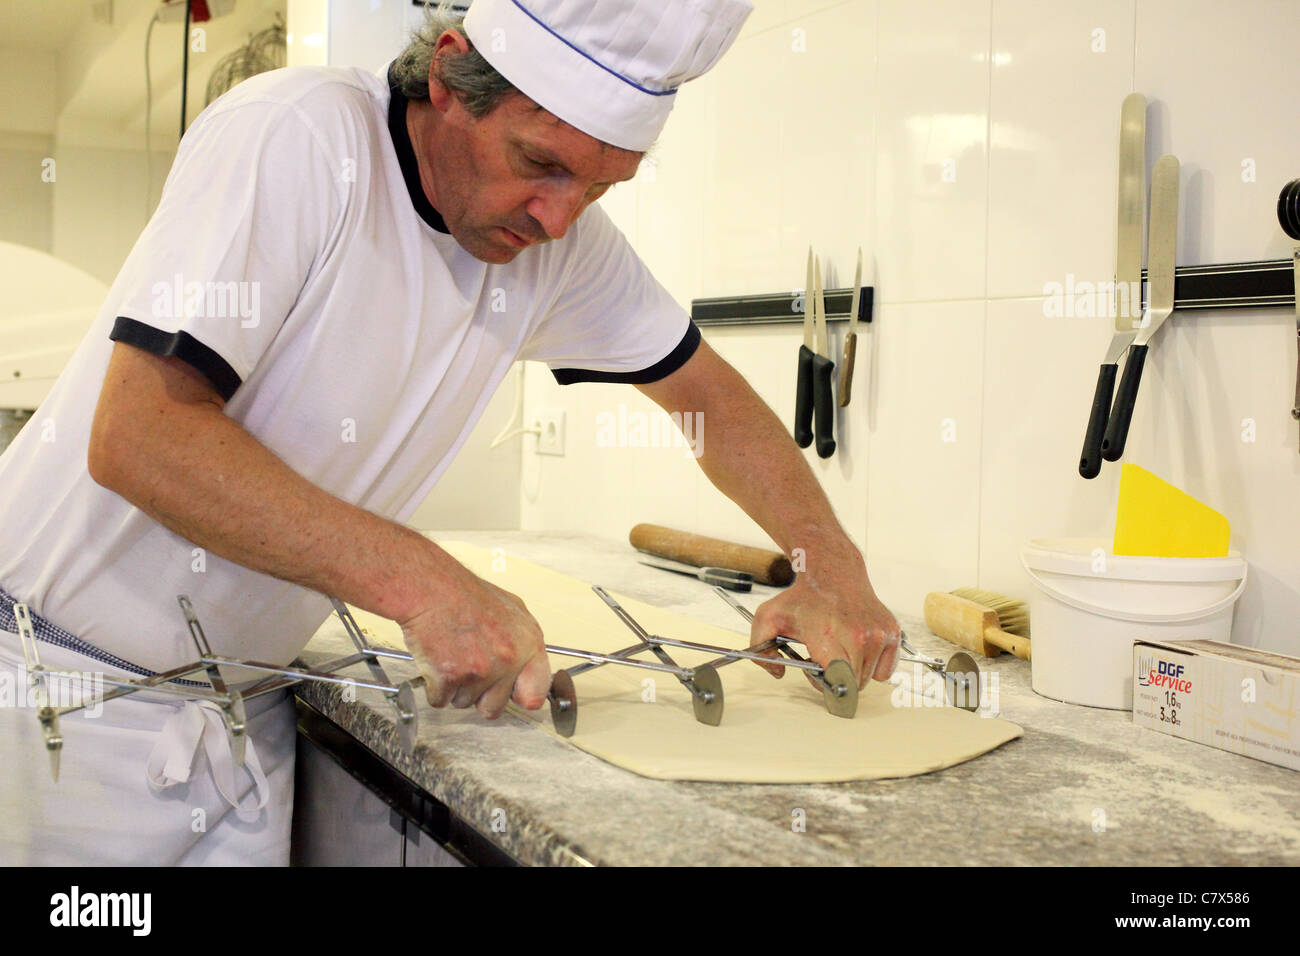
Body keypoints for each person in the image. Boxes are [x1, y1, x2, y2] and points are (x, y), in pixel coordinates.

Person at [0, 0, 899, 865]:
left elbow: (712, 399)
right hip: (54, 718)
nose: (559, 217)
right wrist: (426, 583)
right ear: (448, 74)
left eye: (599, 185)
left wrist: (833, 569)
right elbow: (142, 436)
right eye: (541, 161)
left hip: (237, 715)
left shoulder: (556, 246)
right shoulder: (301, 139)